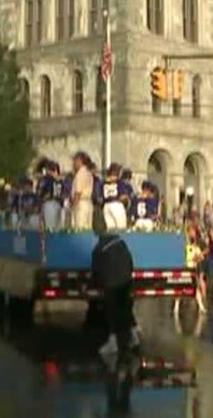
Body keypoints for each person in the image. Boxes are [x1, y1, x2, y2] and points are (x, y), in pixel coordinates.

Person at [91, 209, 135, 357]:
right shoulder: (120, 242)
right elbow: (130, 261)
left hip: (111, 284)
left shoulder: (99, 248)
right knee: (126, 309)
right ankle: (133, 337)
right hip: (126, 281)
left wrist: (98, 283)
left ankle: (113, 342)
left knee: (112, 313)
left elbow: (96, 270)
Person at [99, 163, 131, 232]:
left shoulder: (103, 182)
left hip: (106, 206)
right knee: (121, 228)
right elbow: (123, 197)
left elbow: (100, 198)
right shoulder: (119, 182)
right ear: (116, 172)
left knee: (110, 229)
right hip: (116, 204)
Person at [70, 152, 96, 230]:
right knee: (87, 228)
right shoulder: (88, 173)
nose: (73, 164)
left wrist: (73, 206)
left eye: (75, 161)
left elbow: (78, 192)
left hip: (81, 203)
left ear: (79, 161)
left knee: (79, 227)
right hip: (88, 203)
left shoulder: (81, 174)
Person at [38, 160, 65, 232]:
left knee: (49, 228)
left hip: (49, 203)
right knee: (57, 227)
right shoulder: (61, 180)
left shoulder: (46, 179)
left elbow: (42, 193)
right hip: (59, 204)